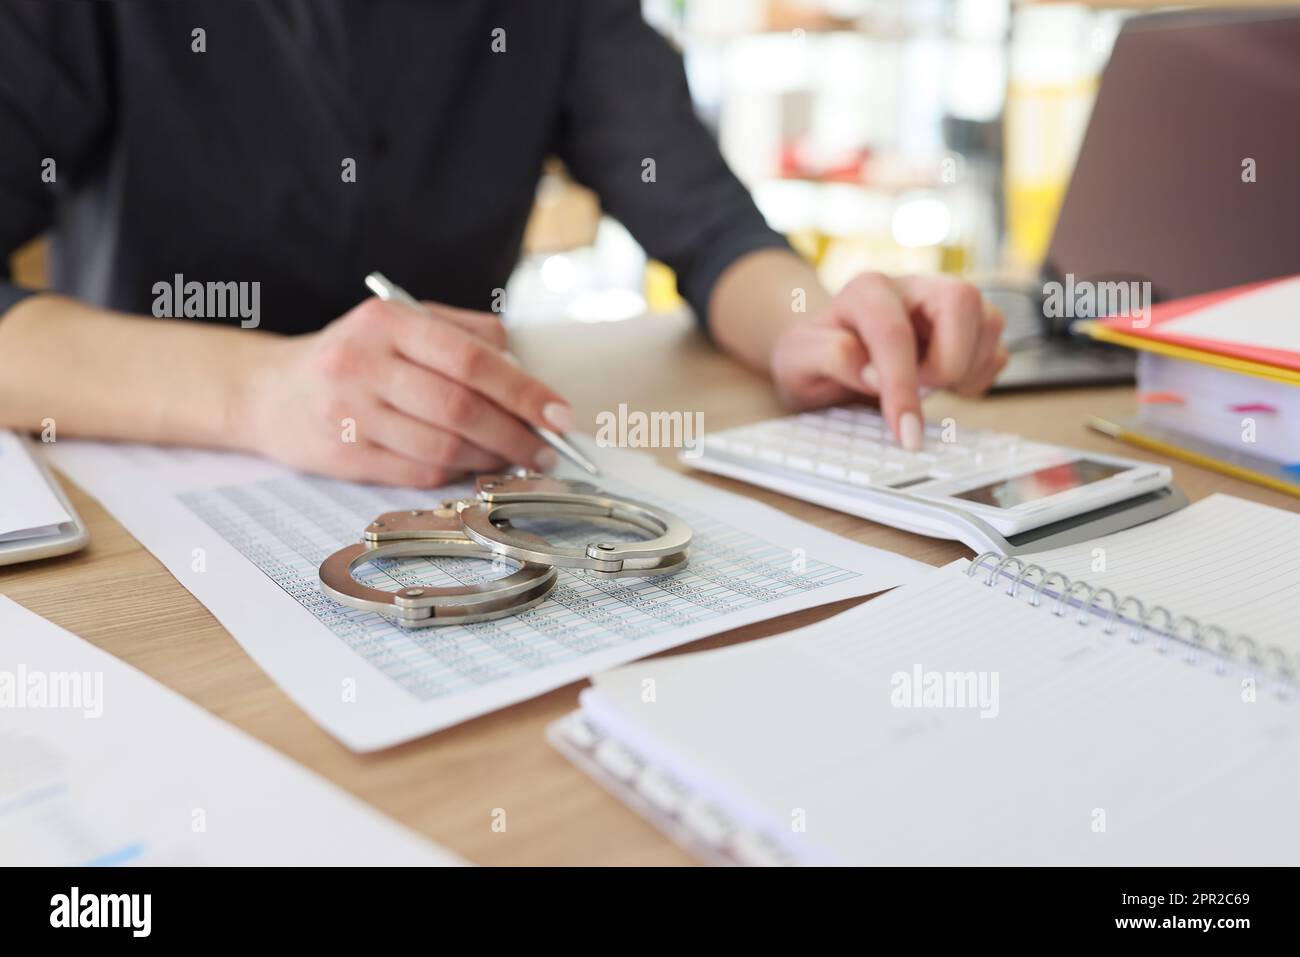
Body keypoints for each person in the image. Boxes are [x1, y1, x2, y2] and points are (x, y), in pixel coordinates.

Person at [0, 0, 1006, 487]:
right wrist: (263, 390)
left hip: (466, 490)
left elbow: (709, 225)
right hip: (146, 493)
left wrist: (810, 323)